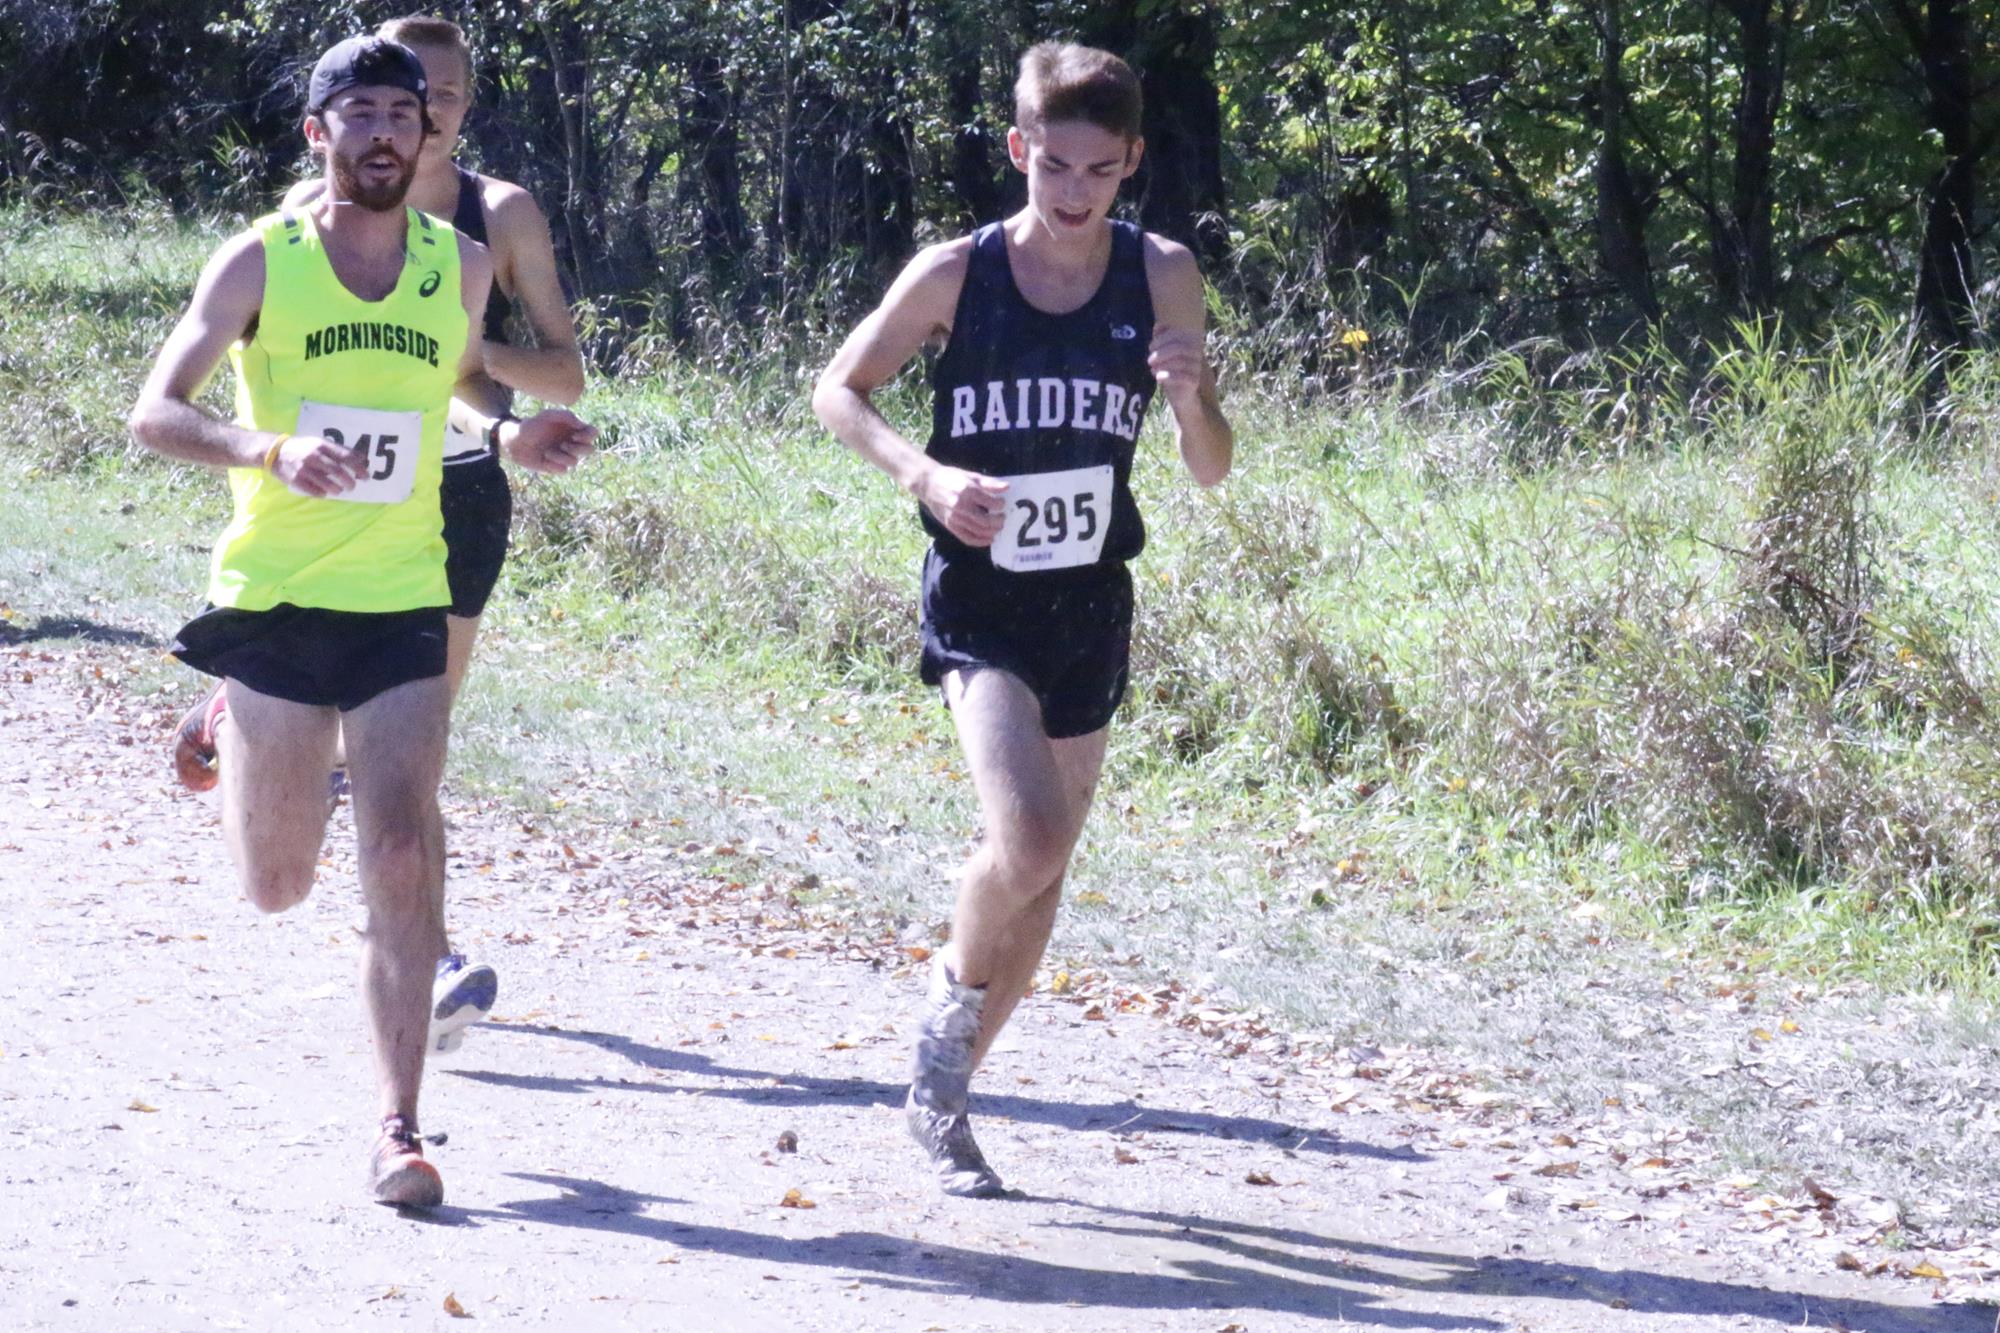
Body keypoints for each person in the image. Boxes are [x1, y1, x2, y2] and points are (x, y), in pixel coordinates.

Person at [130, 34, 595, 1207]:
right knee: (279, 884)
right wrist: (267, 446)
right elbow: (155, 413)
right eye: (364, 114)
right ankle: (234, 717)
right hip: (279, 594)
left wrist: (506, 436)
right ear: (318, 133)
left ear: (428, 134)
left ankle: (399, 1125)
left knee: (397, 844)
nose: (390, 132)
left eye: (407, 113)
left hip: (402, 593)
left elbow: (447, 382)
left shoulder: (456, 260)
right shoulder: (261, 262)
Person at [812, 42, 1233, 1197]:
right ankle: (946, 1014)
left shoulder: (1162, 274)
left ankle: (945, 1099)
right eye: (1054, 165)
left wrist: (1193, 398)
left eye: (1099, 170)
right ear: (1018, 149)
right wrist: (924, 476)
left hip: (1091, 598)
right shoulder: (956, 271)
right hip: (981, 596)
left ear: (1131, 163)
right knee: (1028, 839)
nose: (1073, 191)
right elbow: (837, 389)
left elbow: (1207, 469)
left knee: (1042, 882)